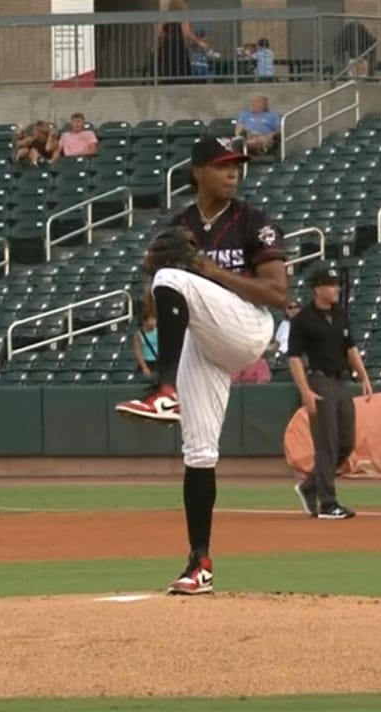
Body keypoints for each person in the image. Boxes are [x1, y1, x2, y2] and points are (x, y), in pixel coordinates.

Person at [114, 137, 289, 595]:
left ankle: (164, 389)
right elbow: (158, 291)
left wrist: (204, 269)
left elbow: (278, 295)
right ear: (197, 172)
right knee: (199, 453)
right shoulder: (180, 225)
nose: (233, 173)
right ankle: (200, 563)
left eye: (237, 166)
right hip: (205, 338)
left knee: (176, 274)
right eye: (223, 165)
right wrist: (152, 270)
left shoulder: (253, 222)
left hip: (248, 327)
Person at [288, 265, 373, 521]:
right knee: (326, 442)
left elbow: (351, 349)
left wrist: (364, 376)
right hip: (319, 380)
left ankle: (310, 485)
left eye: (336, 284)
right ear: (317, 289)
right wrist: (305, 391)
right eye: (330, 284)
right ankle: (327, 502)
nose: (335, 288)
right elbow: (294, 358)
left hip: (340, 381)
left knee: (345, 442)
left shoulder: (340, 315)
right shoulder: (304, 319)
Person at [155, 0, 206, 83]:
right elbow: (186, 31)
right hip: (178, 47)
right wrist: (199, 42)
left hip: (165, 48)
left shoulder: (164, 4)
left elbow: (160, 31)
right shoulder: (182, 5)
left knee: (164, 78)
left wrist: (157, 43)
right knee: (181, 78)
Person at [133, 312, 159, 379]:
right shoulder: (138, 335)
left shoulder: (159, 332)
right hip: (146, 362)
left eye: (155, 319)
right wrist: (144, 367)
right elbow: (138, 352)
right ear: (144, 321)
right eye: (152, 319)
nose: (155, 321)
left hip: (157, 362)